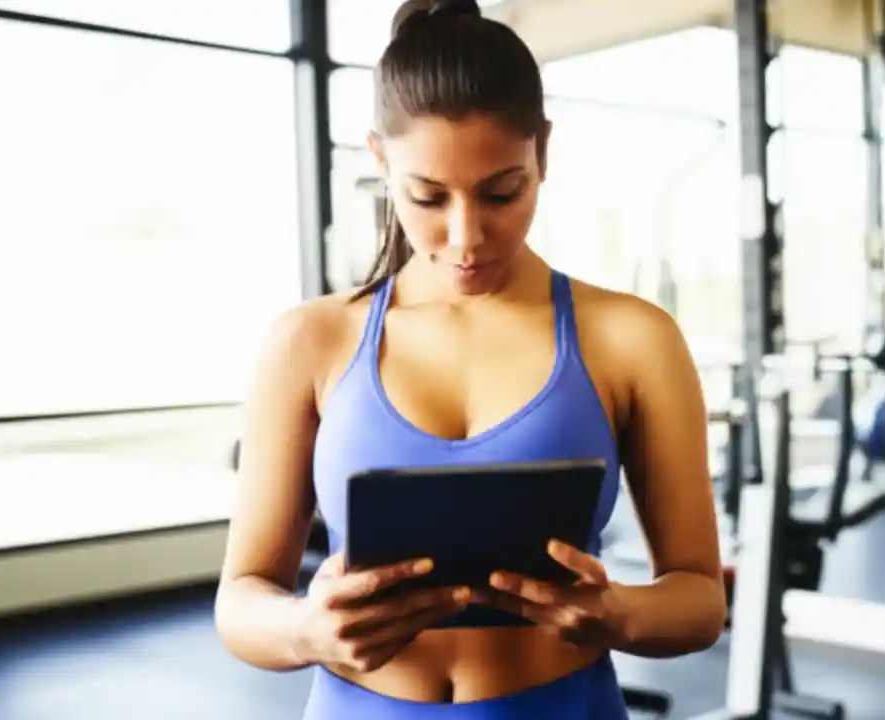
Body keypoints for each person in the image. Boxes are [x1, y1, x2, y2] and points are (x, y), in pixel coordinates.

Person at [213, 1, 726, 717]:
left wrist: (620, 613)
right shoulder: (309, 342)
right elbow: (240, 602)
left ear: (541, 151)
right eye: (426, 197)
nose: (466, 237)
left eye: (501, 192)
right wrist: (304, 629)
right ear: (381, 159)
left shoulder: (633, 338)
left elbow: (700, 598)